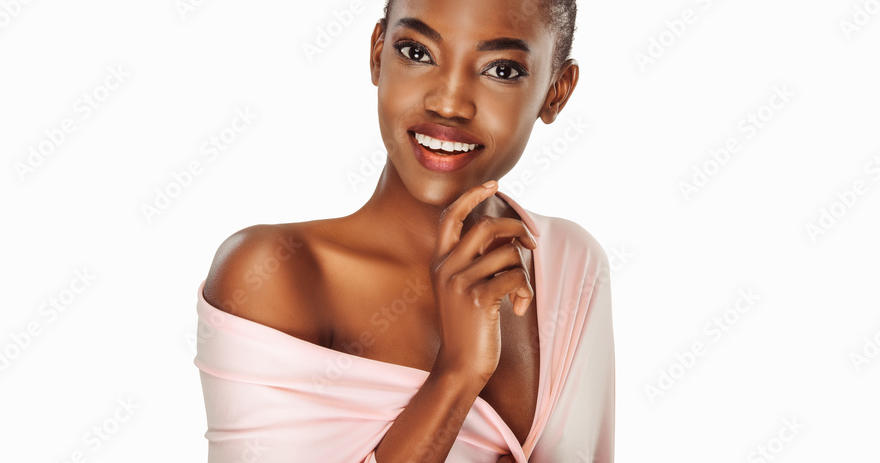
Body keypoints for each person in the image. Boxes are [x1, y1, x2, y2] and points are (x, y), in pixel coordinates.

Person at [193, 0, 614, 461]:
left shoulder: (572, 262)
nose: (449, 103)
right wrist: (456, 374)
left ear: (556, 92)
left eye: (501, 70)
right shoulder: (275, 273)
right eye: (417, 53)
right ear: (377, 54)